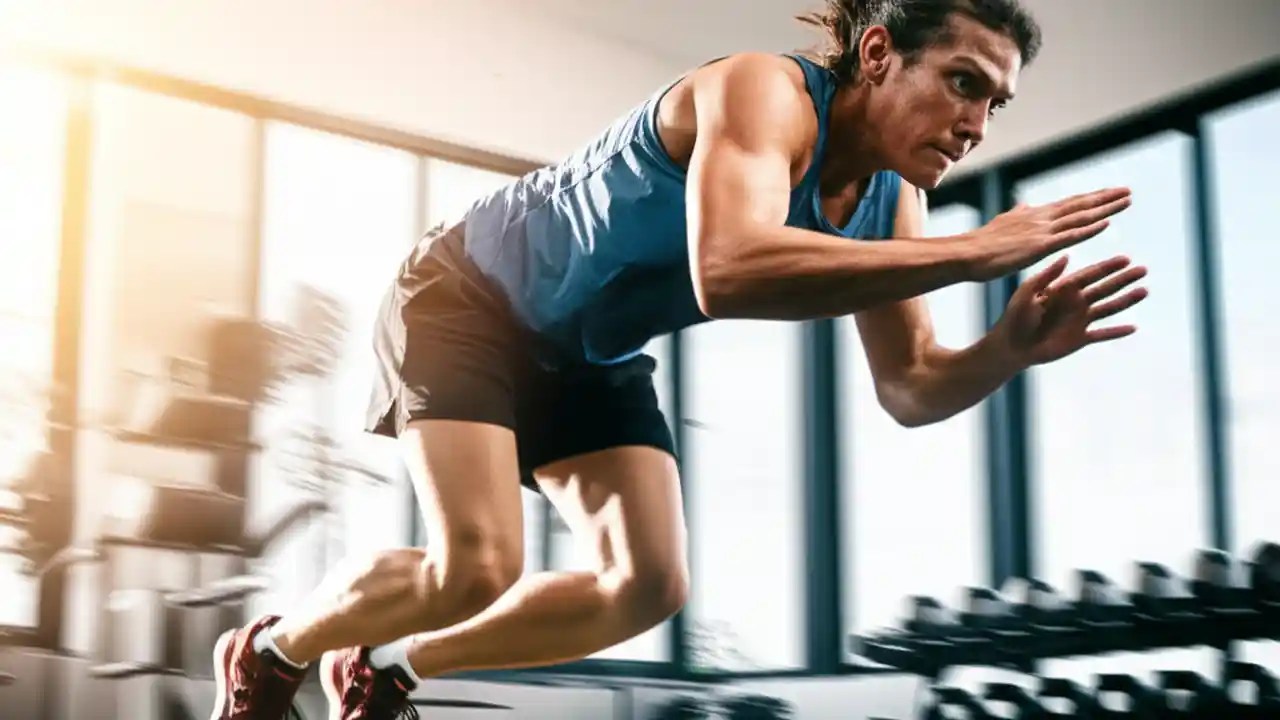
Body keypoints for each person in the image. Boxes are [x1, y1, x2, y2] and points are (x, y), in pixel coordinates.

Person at [210, 0, 1147, 717]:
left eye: (997, 102)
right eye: (963, 83)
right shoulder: (762, 92)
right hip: (470, 298)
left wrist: (1008, 348)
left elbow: (911, 386)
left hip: (589, 354)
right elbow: (729, 269)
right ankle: (273, 652)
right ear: (875, 55)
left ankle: (383, 666)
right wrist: (975, 251)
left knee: (646, 587)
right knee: (478, 565)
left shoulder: (892, 202)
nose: (979, 123)